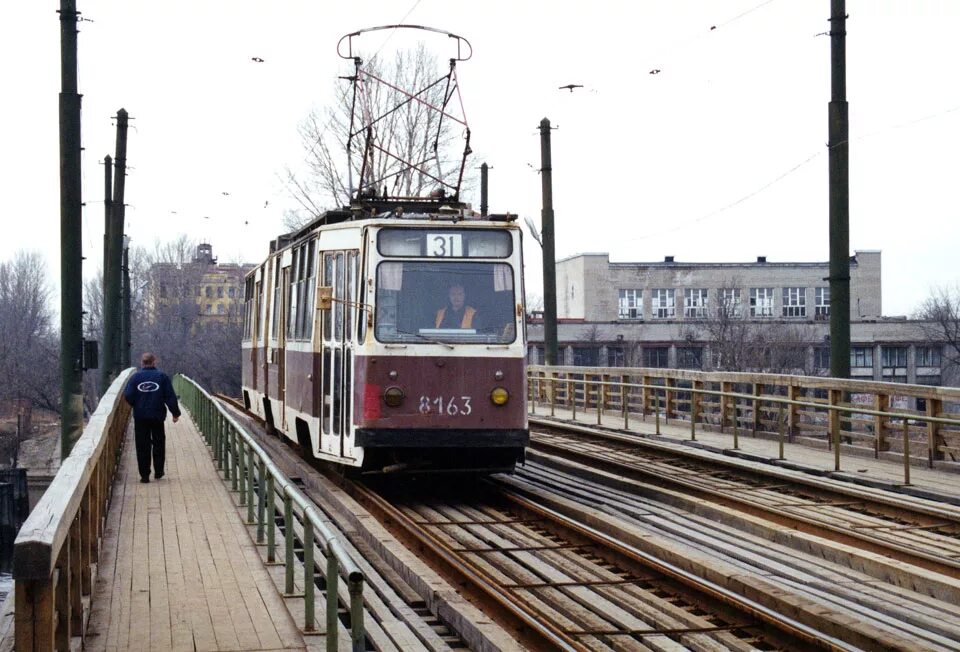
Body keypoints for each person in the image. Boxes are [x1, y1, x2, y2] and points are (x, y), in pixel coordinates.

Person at [124, 352, 180, 483]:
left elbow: (128, 394)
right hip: (157, 415)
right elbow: (170, 396)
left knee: (142, 445)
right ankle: (159, 472)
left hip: (141, 416)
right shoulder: (162, 377)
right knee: (158, 443)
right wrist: (175, 413)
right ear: (154, 362)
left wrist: (136, 404)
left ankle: (144, 475)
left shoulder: (135, 378)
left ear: (142, 363)